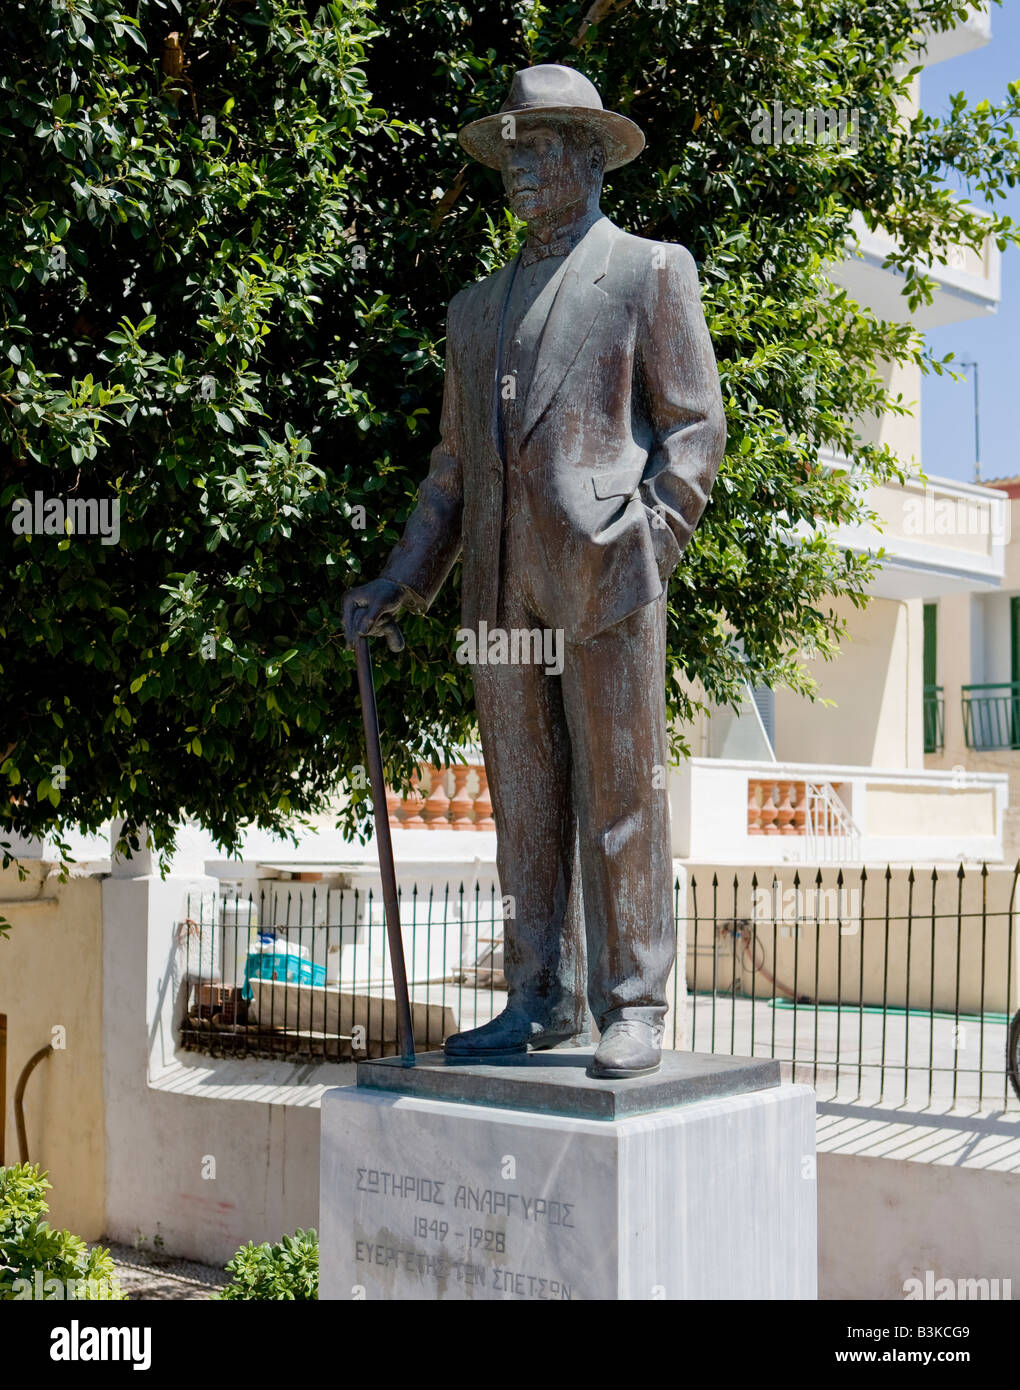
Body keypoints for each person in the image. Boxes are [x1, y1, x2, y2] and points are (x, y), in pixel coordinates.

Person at [344, 64, 726, 1078]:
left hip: (608, 575)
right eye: (510, 152)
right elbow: (453, 469)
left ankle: (633, 1001)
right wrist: (404, 579)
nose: (519, 168)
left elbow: (695, 432)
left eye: (540, 148)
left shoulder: (650, 272)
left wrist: (648, 546)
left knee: (622, 791)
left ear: (590, 158)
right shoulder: (474, 310)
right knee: (522, 801)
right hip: (498, 589)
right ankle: (536, 996)